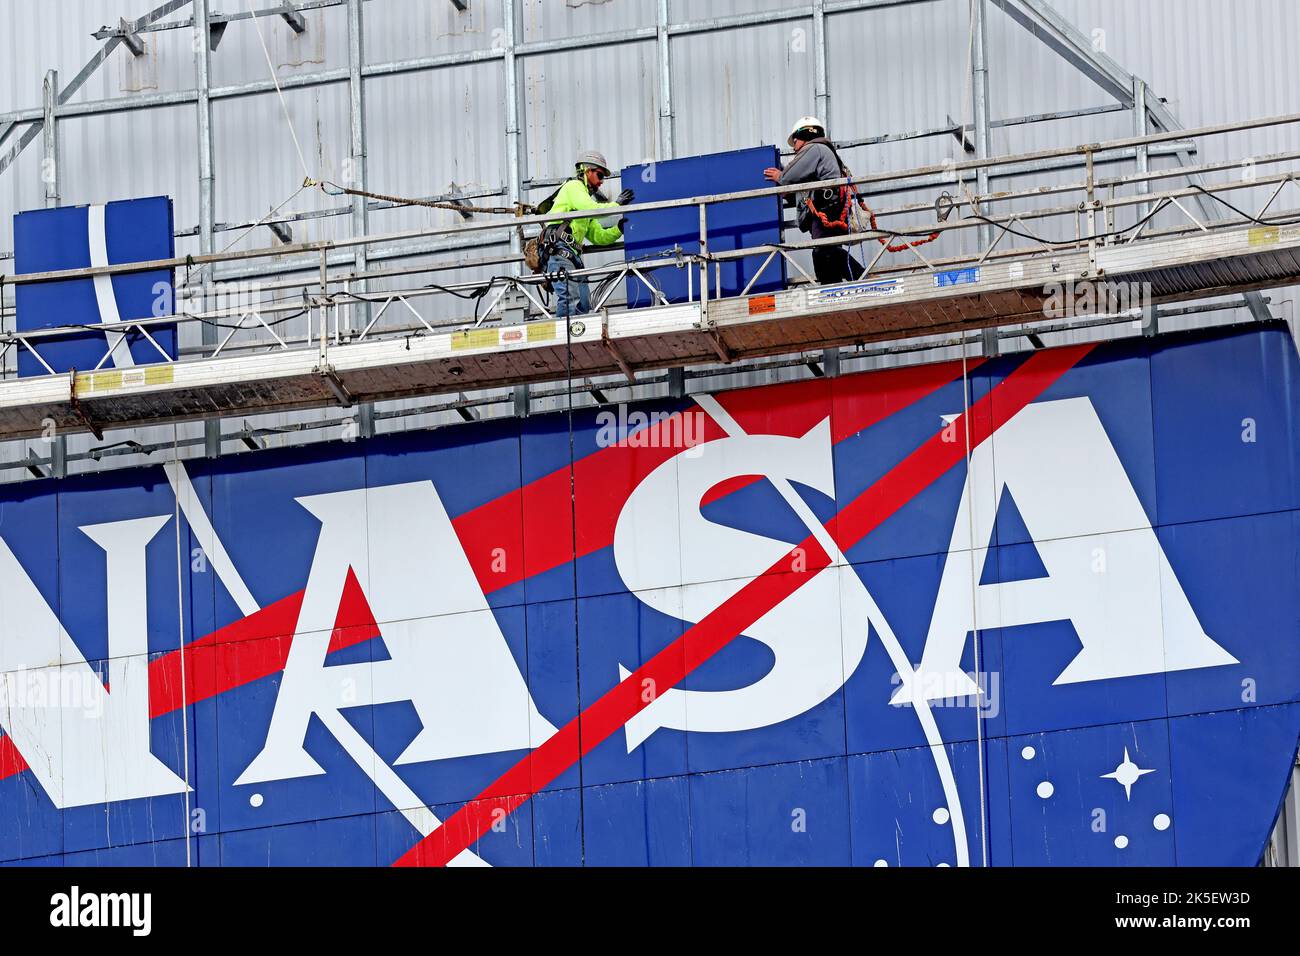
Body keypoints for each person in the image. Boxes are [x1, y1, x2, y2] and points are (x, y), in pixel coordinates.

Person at [764, 116, 865, 285]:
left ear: (804, 135)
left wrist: (779, 176)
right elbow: (803, 187)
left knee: (824, 251)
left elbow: (790, 176)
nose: (795, 148)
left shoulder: (814, 148)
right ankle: (834, 286)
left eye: (795, 142)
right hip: (828, 208)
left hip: (826, 209)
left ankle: (857, 279)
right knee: (827, 251)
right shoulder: (821, 151)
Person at [541, 150, 635, 317]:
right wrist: (616, 205)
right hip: (559, 251)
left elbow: (598, 236)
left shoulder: (585, 205)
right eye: (599, 176)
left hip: (572, 256)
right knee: (569, 298)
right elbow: (592, 209)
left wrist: (618, 229)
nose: (601, 182)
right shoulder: (573, 187)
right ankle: (565, 338)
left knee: (584, 304)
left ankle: (578, 337)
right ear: (586, 171)